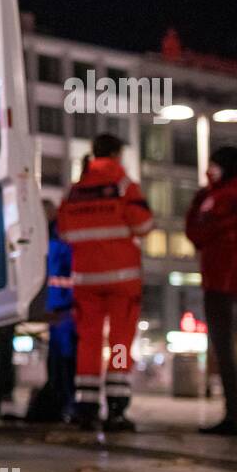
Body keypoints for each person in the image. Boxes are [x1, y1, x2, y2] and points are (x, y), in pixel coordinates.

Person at [58, 133, 153, 431]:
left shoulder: (75, 190)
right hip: (121, 278)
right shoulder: (123, 185)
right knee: (120, 343)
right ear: (115, 154)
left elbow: (63, 231)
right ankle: (116, 407)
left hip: (85, 279)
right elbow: (144, 225)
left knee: (88, 341)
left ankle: (85, 407)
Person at [185, 145, 237, 436]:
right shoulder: (222, 197)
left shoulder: (228, 198)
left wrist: (205, 216)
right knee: (224, 347)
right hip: (224, 280)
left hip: (225, 282)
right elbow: (197, 233)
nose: (210, 170)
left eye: (215, 164)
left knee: (225, 348)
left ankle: (234, 416)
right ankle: (234, 413)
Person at [25, 199, 77, 423]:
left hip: (64, 308)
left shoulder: (56, 237)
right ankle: (64, 401)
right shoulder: (55, 236)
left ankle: (65, 402)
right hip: (60, 307)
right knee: (59, 359)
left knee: (64, 359)